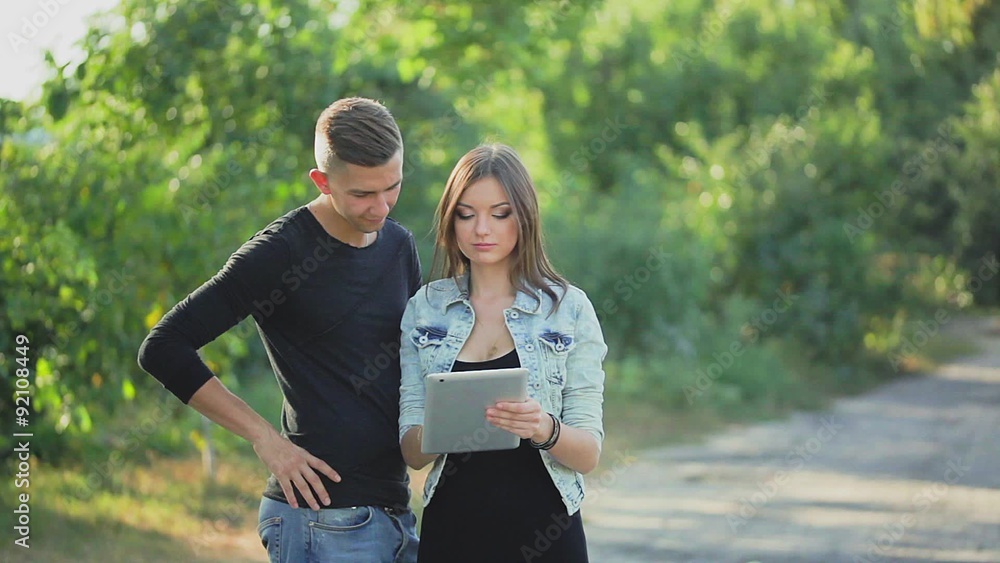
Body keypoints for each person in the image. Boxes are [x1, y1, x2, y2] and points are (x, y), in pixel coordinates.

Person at [138, 97, 421, 563]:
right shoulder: (281, 251)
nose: (381, 207)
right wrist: (264, 438)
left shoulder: (399, 245)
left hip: (394, 514)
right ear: (322, 181)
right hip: (320, 520)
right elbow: (163, 346)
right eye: (362, 194)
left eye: (392, 187)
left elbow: (410, 362)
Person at [398, 144, 608, 562]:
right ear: (451, 220)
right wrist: (448, 423)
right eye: (466, 214)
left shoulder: (569, 309)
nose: (481, 229)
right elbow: (412, 453)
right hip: (453, 533)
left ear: (524, 216)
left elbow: (588, 454)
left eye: (500, 213)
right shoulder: (426, 308)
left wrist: (542, 427)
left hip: (547, 533)